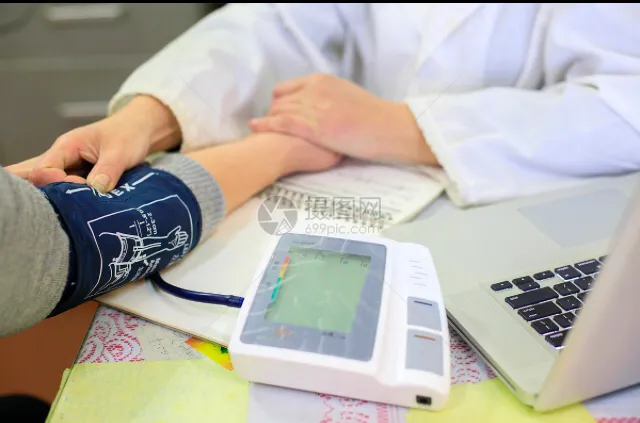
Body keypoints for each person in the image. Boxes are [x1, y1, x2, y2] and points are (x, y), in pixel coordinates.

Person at [9, 3, 640, 207]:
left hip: (522, 203)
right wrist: (151, 115)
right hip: (351, 180)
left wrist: (406, 127)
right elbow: (276, 19)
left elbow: (624, 103)